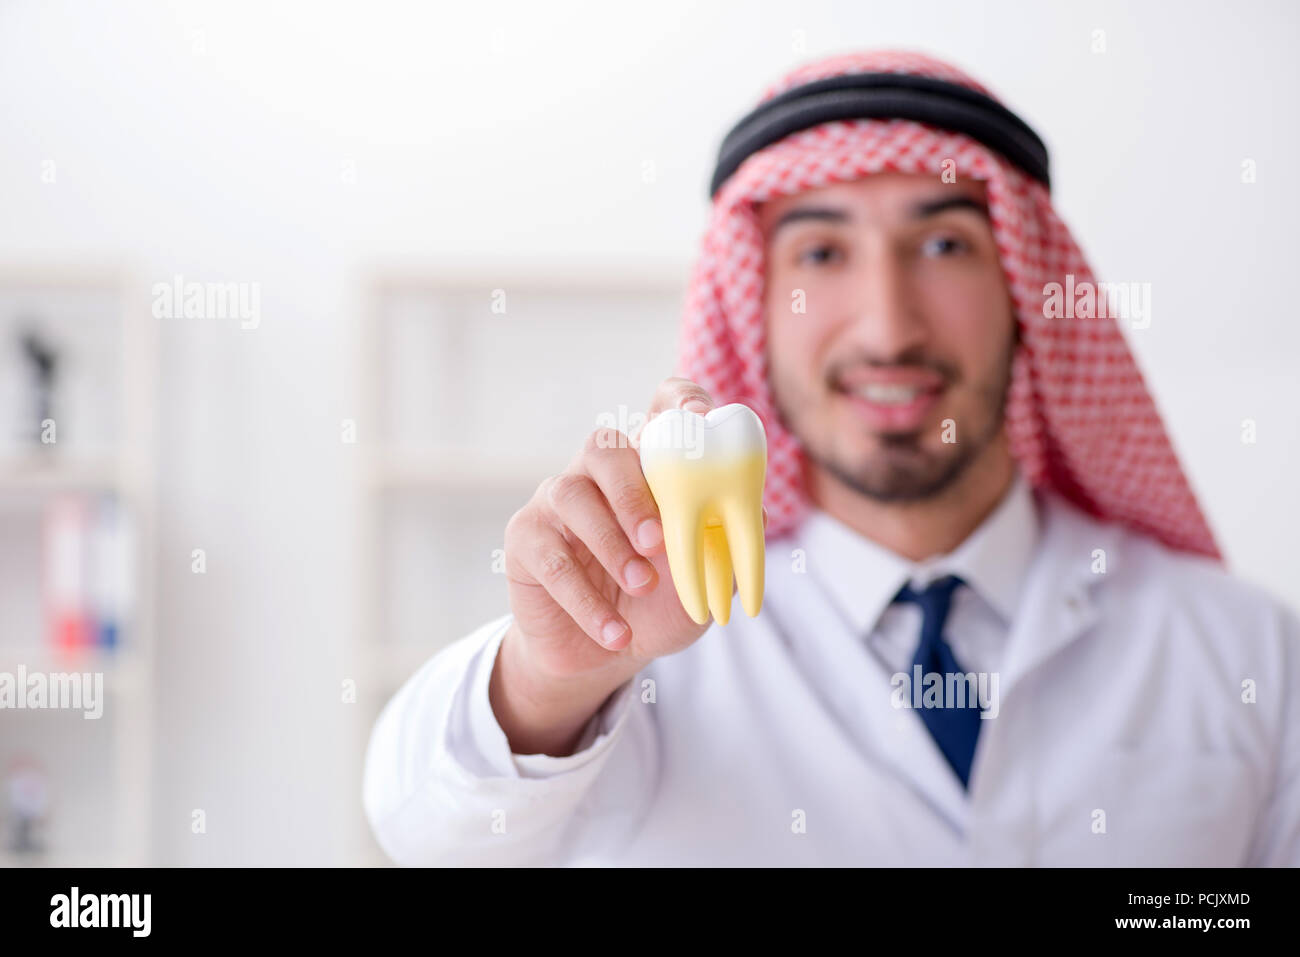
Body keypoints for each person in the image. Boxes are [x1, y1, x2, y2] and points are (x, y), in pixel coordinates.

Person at [362, 50, 1299, 866]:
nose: (889, 325)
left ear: (1024, 284)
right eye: (820, 253)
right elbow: (430, 830)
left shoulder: (1242, 648)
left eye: (942, 243)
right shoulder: (647, 648)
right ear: (753, 307)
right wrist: (552, 676)